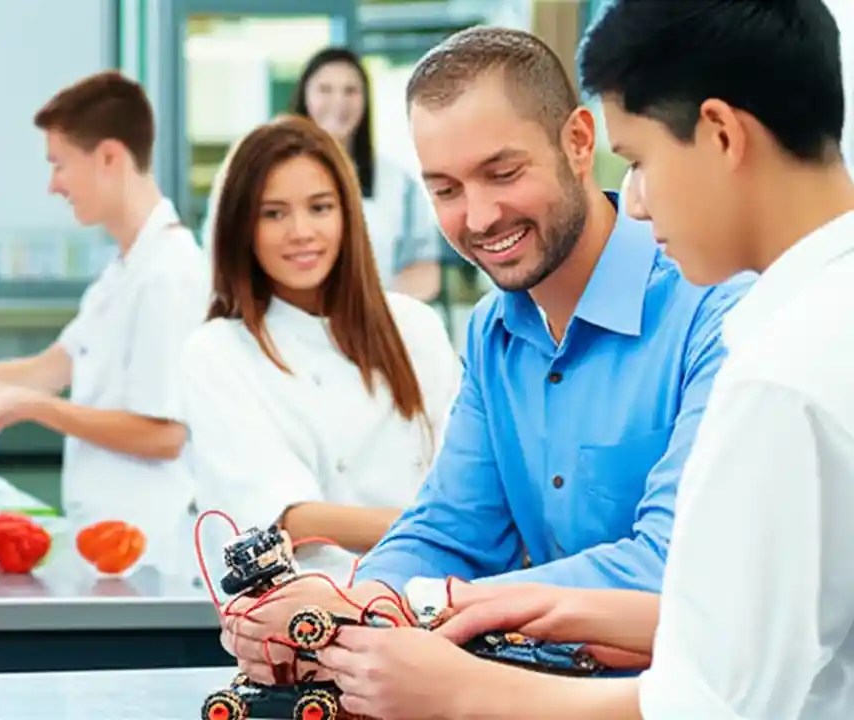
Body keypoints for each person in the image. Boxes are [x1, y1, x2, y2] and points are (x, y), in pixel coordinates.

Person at [306, 2, 854, 718]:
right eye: (443, 190)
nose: (641, 202)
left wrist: (462, 677)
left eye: (640, 163)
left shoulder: (767, 359)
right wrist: (360, 606)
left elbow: (708, 684)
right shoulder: (801, 324)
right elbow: (453, 530)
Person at [219, 24, 752, 683]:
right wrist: (339, 610)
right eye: (445, 189)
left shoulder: (715, 309)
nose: (477, 217)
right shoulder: (490, 334)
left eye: (502, 173)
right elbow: (449, 531)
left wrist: (412, 607)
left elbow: (670, 565)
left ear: (580, 143)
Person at [0, 71, 208, 568]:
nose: (54, 184)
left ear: (109, 158)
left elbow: (163, 435)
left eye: (59, 165)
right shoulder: (124, 270)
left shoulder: (168, 275)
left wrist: (33, 407)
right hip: (106, 540)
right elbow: (53, 368)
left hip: (149, 548)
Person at [182, 115, 461, 554]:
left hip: (426, 602)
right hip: (299, 613)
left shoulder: (416, 327)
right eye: (274, 214)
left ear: (348, 215)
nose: (302, 233)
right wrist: (445, 529)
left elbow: (465, 481)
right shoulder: (218, 352)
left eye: (320, 207)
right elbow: (286, 519)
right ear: (242, 230)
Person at [201, 47, 444, 301]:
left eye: (351, 91)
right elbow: (219, 252)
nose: (339, 102)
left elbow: (423, 268)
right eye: (325, 90)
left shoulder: (397, 182)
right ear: (304, 95)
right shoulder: (254, 170)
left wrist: (370, 313)